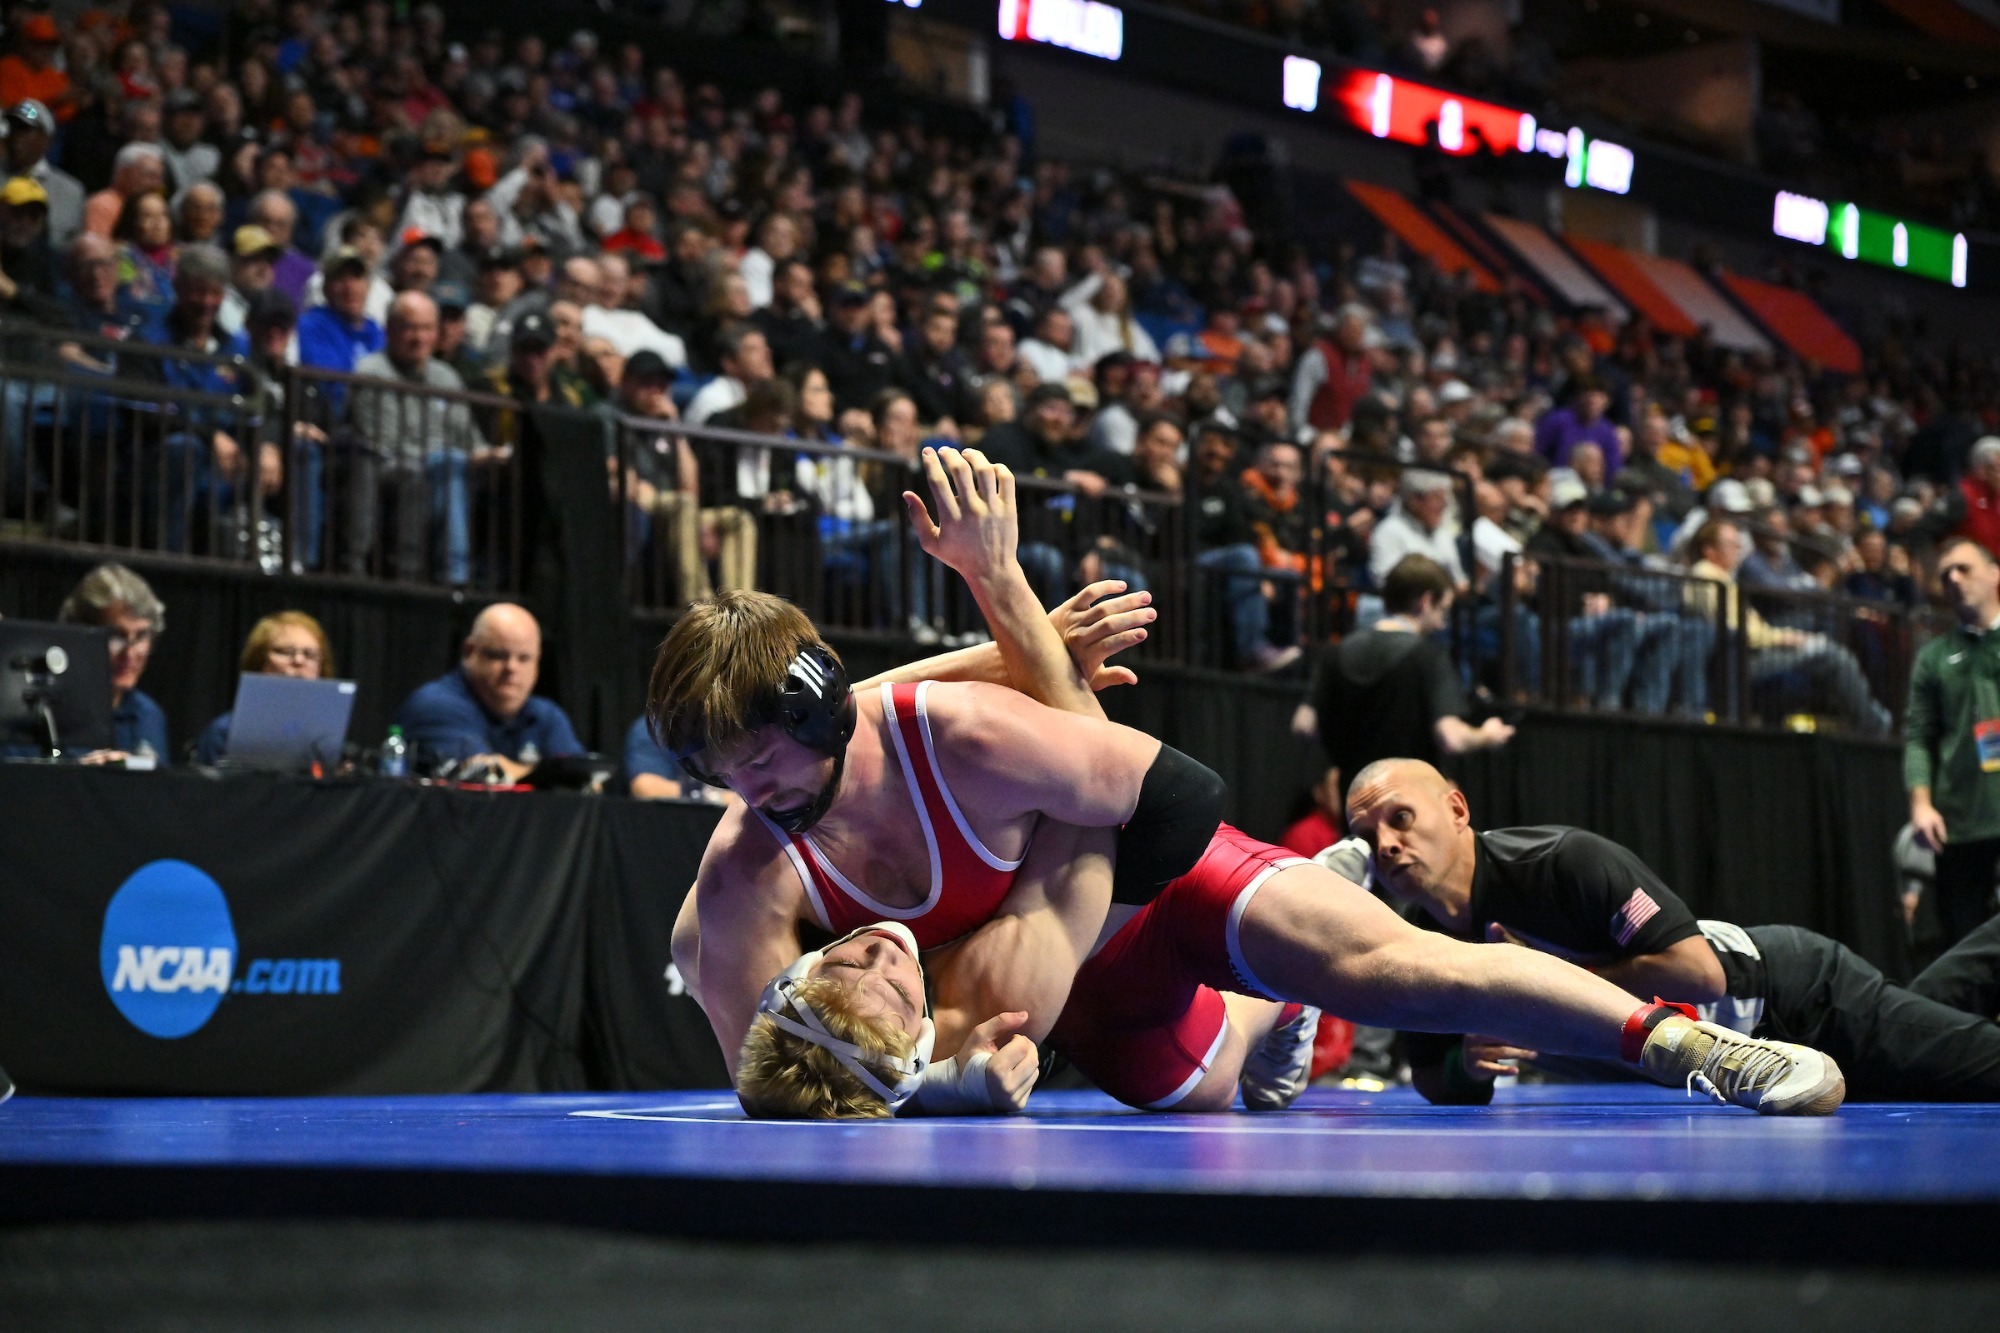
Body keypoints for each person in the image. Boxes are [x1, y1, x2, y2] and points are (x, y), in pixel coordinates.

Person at [666, 448, 1843, 1120]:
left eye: (763, 759)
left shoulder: (959, 732)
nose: (750, 790)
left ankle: (1686, 1046)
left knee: (1399, 970)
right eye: (721, 771)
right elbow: (773, 1083)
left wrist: (1003, 595)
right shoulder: (740, 880)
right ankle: (1266, 1001)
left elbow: (1164, 795)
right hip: (1067, 993)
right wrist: (948, 1086)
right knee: (1195, 1089)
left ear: (825, 710)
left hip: (1136, 869)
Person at [1341, 757, 2000, 1102]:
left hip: (1801, 1002)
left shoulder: (1559, 861)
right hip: (1750, 1070)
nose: (1389, 843)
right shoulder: (1416, 942)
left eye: (1401, 817)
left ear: (1457, 808)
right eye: (1368, 836)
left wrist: (1530, 993)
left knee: (1980, 1066)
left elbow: (1696, 969)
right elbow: (1430, 1072)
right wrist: (1468, 1065)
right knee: (1940, 1042)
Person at [1304, 554, 1512, 797]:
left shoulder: (1337, 651)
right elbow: (1451, 737)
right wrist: (1487, 734)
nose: (1441, 624)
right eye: (1442, 611)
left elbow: (1305, 725)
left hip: (1355, 803)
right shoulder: (1426, 655)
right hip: (1409, 804)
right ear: (1424, 601)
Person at [348, 291, 483, 583]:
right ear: (390, 330)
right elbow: (382, 440)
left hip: (447, 469)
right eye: (410, 328)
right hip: (390, 469)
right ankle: (454, 575)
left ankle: (475, 574)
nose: (419, 338)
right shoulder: (372, 372)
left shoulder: (446, 377)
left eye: (427, 329)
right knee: (446, 464)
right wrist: (443, 455)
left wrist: (487, 454)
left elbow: (467, 435)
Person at [1907, 537, 2000, 946]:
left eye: (1964, 569)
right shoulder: (1934, 656)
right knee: (1964, 945)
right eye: (1946, 575)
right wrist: (1921, 805)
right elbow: (1917, 736)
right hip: (1960, 824)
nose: (1954, 579)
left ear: (1995, 574)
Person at [390, 602, 583, 780]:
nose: (511, 668)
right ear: (469, 651)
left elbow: (588, 781)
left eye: (524, 658)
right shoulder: (434, 705)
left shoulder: (545, 716)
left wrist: (559, 776)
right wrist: (556, 775)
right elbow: (483, 774)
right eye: (498, 656)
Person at [56, 562, 169, 764]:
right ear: (79, 635)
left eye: (141, 636)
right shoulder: (44, 712)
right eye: (116, 636)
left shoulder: (148, 715)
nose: (130, 652)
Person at [192, 612, 337, 765]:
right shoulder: (225, 732)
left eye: (310, 654)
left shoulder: (327, 737)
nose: (299, 661)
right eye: (286, 652)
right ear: (259, 660)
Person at [4, 100, 83, 246]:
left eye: (25, 130)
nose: (16, 137)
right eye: (13, 129)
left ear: (47, 139)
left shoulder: (70, 192)